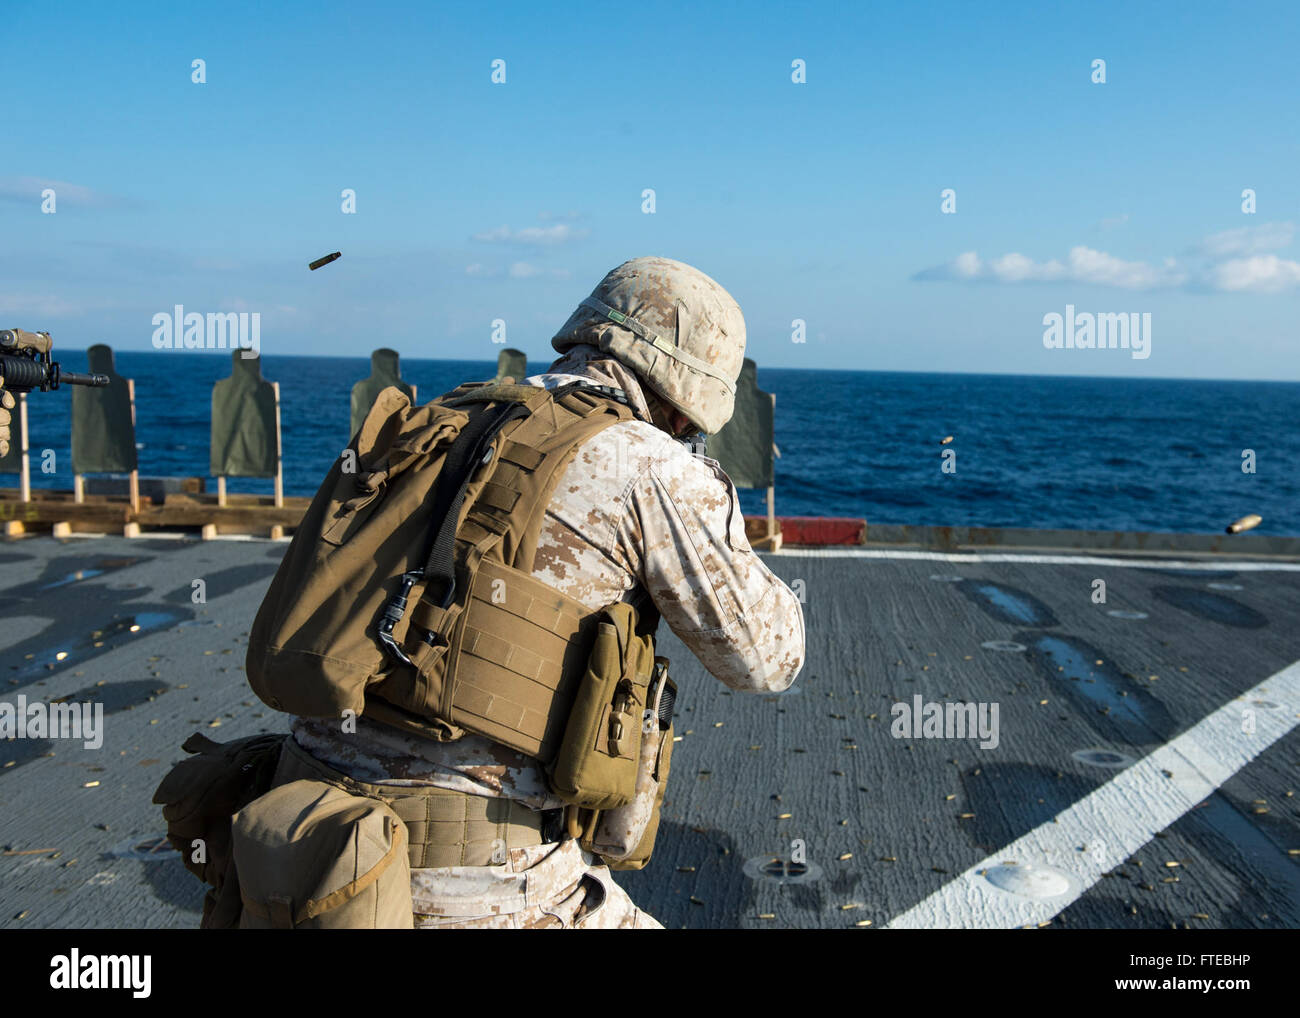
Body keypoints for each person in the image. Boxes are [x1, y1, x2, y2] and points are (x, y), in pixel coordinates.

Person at [287, 256, 806, 927]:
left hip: (305, 830)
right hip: (470, 876)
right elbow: (767, 659)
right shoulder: (648, 464)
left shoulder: (447, 412)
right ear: (692, 390)